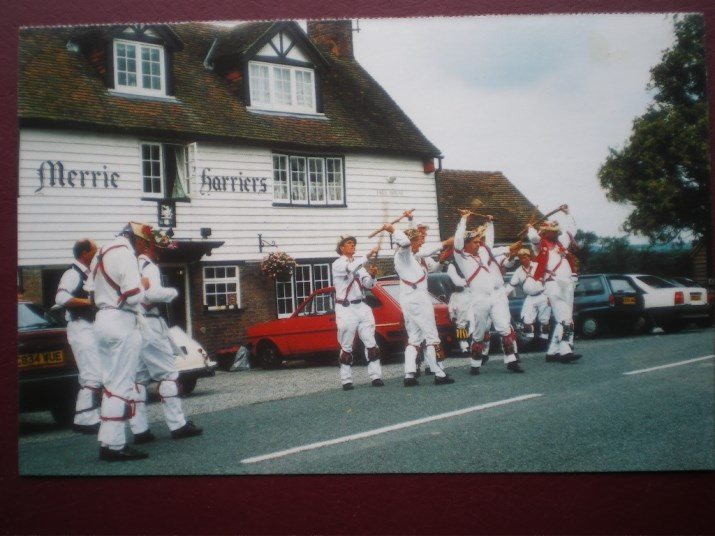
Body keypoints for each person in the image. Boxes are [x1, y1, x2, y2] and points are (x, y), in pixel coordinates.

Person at [130, 229, 203, 442]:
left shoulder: (131, 266)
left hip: (133, 325)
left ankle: (140, 431)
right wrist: (172, 293)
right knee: (168, 375)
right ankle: (178, 425)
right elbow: (151, 294)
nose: (159, 251)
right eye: (156, 246)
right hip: (151, 325)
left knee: (138, 380)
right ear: (145, 246)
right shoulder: (149, 267)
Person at [88, 222, 150, 461]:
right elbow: (134, 295)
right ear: (134, 239)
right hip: (121, 321)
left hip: (102, 319)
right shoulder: (125, 254)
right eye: (143, 242)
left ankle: (107, 440)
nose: (143, 247)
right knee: (121, 386)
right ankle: (114, 446)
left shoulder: (102, 253)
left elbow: (90, 291)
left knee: (111, 384)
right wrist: (143, 285)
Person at [382, 222, 455, 386]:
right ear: (410, 241)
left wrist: (443, 248)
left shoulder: (411, 258)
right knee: (432, 336)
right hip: (418, 299)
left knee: (414, 338)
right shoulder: (403, 255)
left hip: (410, 299)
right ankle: (439, 373)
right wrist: (392, 229)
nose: (420, 243)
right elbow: (406, 243)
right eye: (417, 241)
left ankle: (409, 374)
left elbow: (426, 251)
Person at [453, 211, 524, 375]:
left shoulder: (483, 252)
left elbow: (491, 244)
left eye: (479, 242)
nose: (479, 245)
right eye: (475, 242)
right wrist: (463, 219)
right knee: (478, 334)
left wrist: (491, 225)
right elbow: (457, 240)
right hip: (479, 299)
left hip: (495, 297)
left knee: (504, 328)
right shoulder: (461, 257)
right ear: (467, 244)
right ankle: (475, 364)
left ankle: (511, 361)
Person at [55, 239, 102, 434]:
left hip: (89, 328)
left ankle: (86, 417)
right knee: (92, 374)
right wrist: (90, 301)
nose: (98, 251)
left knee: (92, 374)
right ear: (84, 253)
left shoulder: (87, 274)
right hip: (80, 327)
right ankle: (85, 419)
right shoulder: (72, 273)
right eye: (94, 249)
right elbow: (61, 298)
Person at [527, 205, 581, 363]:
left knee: (566, 318)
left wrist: (567, 214)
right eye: (552, 230)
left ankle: (552, 352)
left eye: (556, 230)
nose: (556, 232)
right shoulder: (539, 246)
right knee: (565, 320)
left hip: (567, 284)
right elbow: (534, 238)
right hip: (553, 285)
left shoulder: (560, 243)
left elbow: (572, 229)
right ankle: (565, 350)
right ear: (544, 232)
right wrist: (530, 229)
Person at [332, 235, 383, 390]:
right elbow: (350, 268)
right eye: (349, 243)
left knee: (371, 342)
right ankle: (346, 380)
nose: (352, 245)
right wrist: (367, 255)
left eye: (354, 243)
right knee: (346, 345)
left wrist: (372, 275)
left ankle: (376, 377)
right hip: (346, 308)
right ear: (342, 248)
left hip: (361, 306)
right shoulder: (338, 264)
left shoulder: (360, 266)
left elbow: (368, 285)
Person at [505, 248, 551, 343]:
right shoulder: (518, 271)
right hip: (530, 297)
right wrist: (503, 296)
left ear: (529, 257)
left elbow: (549, 280)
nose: (523, 260)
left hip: (543, 295)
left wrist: (550, 295)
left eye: (525, 257)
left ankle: (544, 340)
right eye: (521, 258)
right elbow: (511, 285)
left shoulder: (538, 266)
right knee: (526, 319)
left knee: (544, 320)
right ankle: (529, 340)